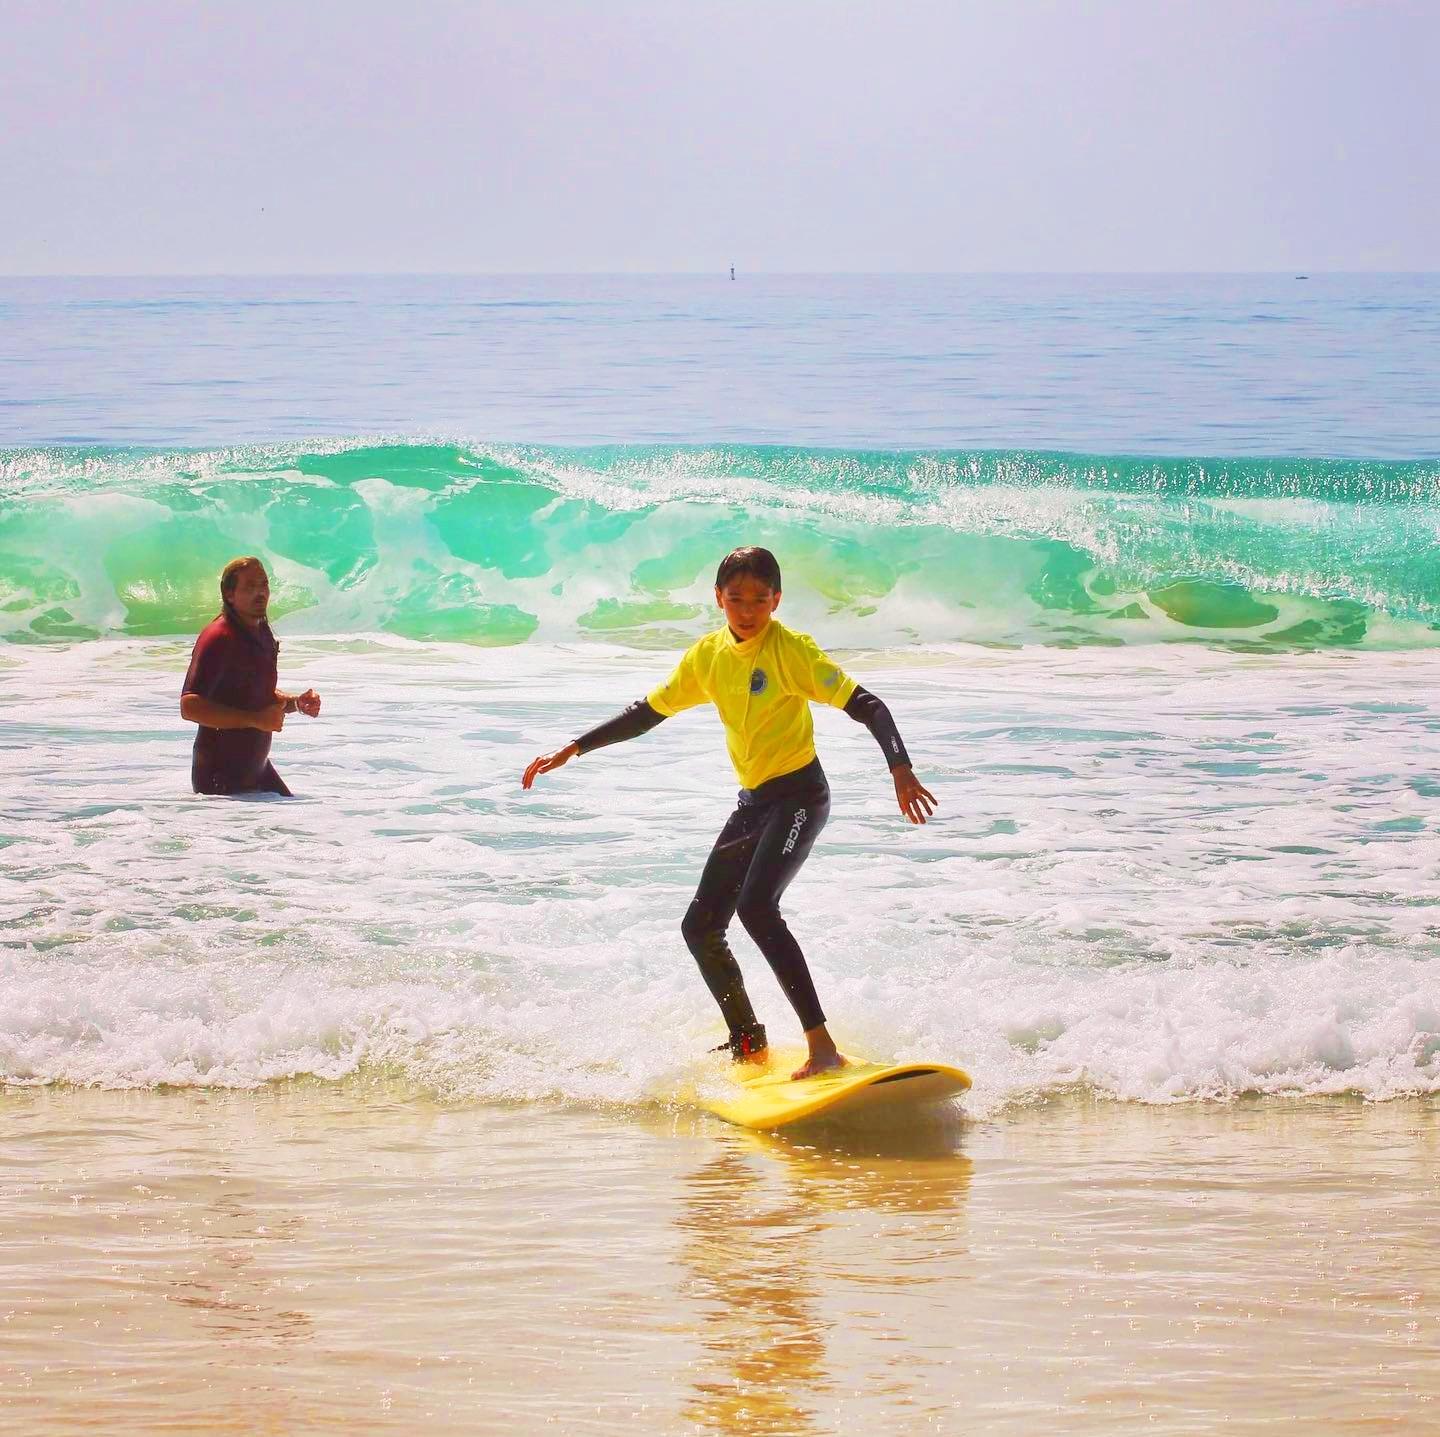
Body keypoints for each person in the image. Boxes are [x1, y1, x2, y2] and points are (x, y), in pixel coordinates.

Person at [522, 546, 936, 1079]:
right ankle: (748, 1041)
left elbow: (869, 705)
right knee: (700, 926)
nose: (747, 610)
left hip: (800, 796)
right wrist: (576, 747)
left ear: (776, 600)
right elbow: (646, 713)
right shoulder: (708, 656)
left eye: (759, 600)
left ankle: (822, 1048)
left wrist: (900, 768)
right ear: (718, 598)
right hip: (755, 802)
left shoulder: (791, 651)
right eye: (736, 598)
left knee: (757, 908)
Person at [180, 556, 321, 796]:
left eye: (264, 584)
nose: (260, 593)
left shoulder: (261, 631)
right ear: (230, 594)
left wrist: (296, 703)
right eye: (250, 586)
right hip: (219, 779)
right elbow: (189, 706)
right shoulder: (218, 637)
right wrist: (255, 720)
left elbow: (254, 695)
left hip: (257, 770)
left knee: (303, 817)